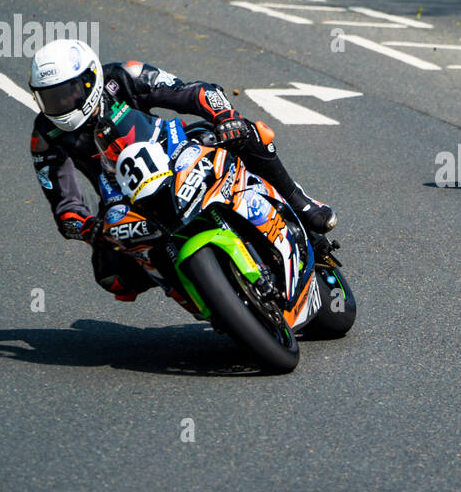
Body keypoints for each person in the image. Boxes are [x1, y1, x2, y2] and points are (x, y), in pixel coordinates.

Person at [27, 39, 336, 305]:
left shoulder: (124, 75)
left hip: (176, 151)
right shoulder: (45, 136)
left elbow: (193, 92)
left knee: (248, 132)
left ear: (90, 79)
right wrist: (85, 228)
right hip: (125, 198)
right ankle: (197, 294)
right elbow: (64, 204)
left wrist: (225, 116)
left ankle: (299, 202)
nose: (62, 104)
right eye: (50, 98)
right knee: (112, 277)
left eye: (68, 93)